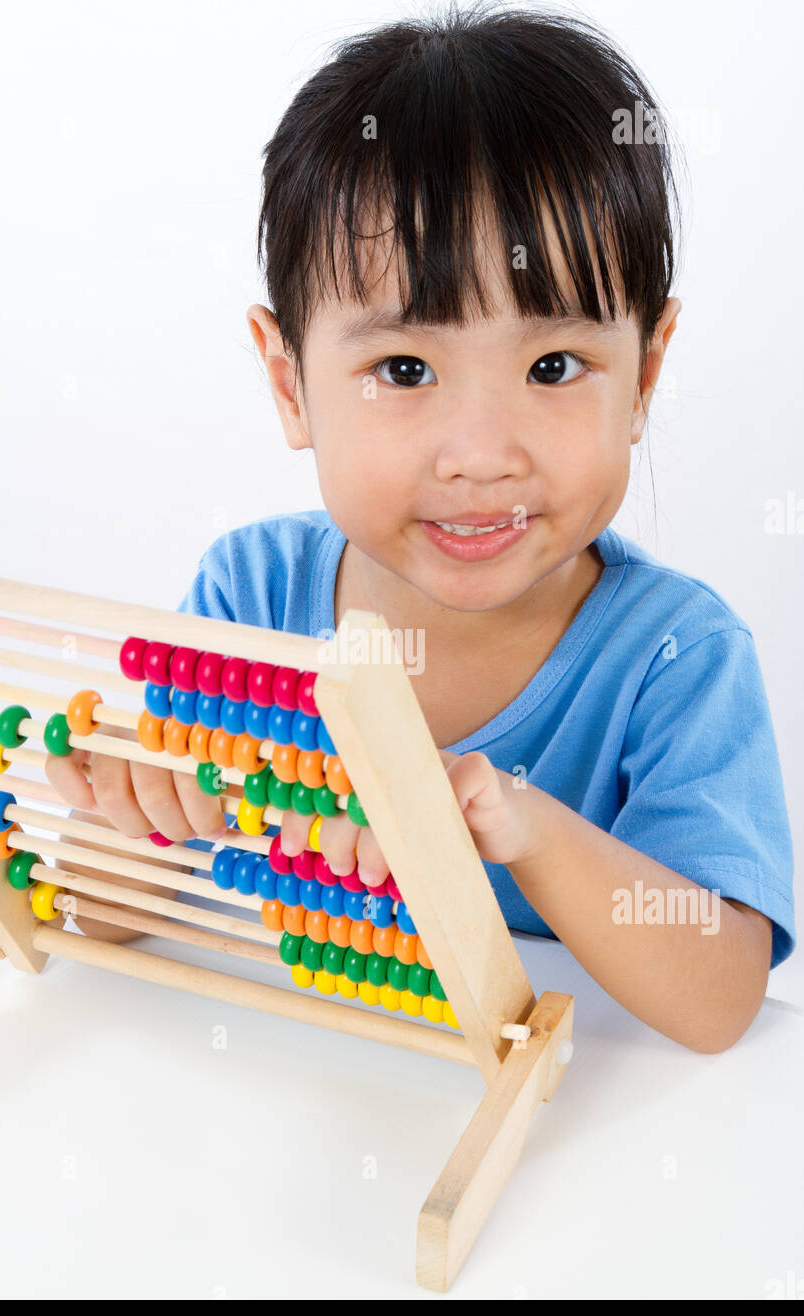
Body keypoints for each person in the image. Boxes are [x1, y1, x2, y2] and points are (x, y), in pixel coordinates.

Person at [46, 4, 794, 1052]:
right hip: (286, 1102)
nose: (479, 453)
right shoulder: (248, 602)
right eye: (403, 370)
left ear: (644, 373)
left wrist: (522, 827)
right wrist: (133, 811)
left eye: (551, 367)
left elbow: (719, 1000)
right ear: (289, 383)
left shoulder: (672, 657)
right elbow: (92, 911)